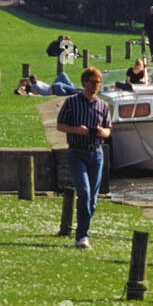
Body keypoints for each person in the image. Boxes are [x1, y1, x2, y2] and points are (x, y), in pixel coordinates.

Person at [56, 68, 112, 250]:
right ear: (84, 82)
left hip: (96, 153)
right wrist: (76, 130)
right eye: (93, 82)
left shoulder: (103, 106)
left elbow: (108, 129)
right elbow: (60, 125)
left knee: (93, 200)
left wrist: (103, 132)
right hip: (77, 153)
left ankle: (83, 230)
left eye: (99, 82)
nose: (96, 85)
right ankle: (82, 236)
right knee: (85, 194)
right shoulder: (71, 102)